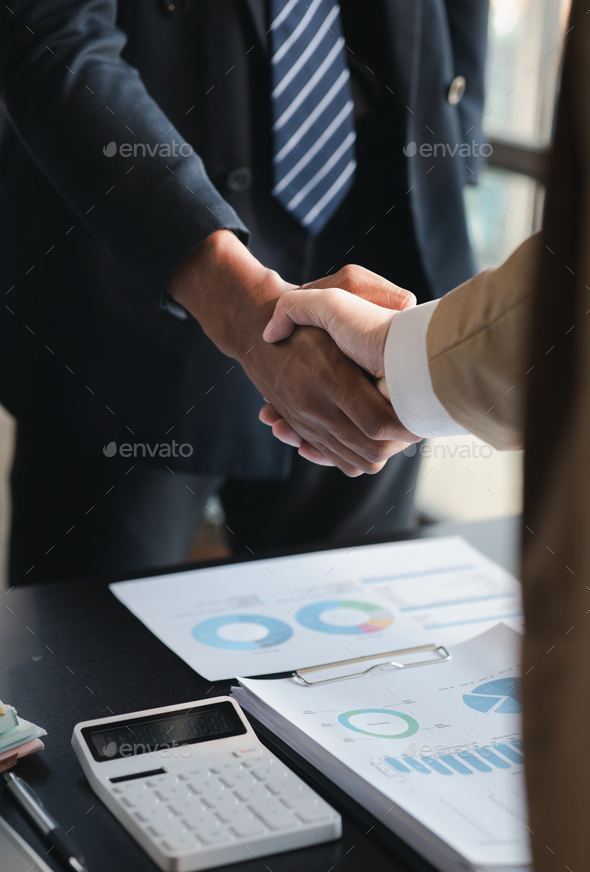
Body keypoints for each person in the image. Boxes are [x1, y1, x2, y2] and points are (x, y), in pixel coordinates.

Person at [261, 2, 590, 872]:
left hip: (385, 235)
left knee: (353, 707)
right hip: (132, 301)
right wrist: (405, 360)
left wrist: (405, 362)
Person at [0, 0, 488, 584]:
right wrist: (246, 305)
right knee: (98, 659)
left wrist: (453, 149)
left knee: (345, 641)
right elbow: (52, 37)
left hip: (376, 254)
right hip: (132, 276)